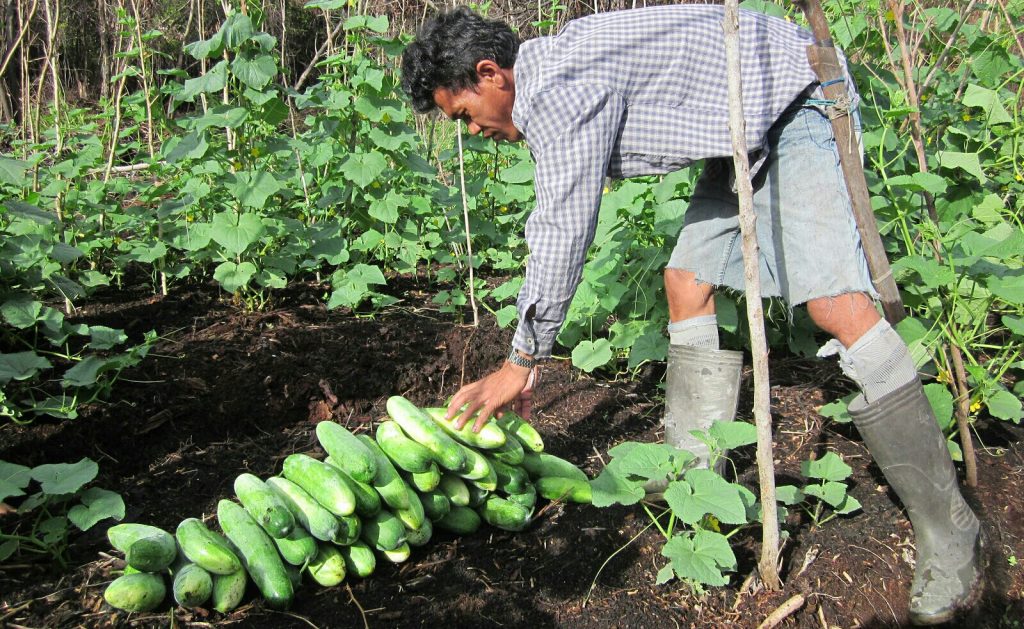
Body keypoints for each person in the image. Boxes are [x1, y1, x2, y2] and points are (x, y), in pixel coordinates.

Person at [400, 5, 982, 625]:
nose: (472, 130)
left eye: (463, 114)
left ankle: (950, 528)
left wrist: (522, 359)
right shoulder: (556, 67)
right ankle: (692, 475)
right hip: (742, 124)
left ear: (490, 74)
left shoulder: (557, 90)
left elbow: (563, 226)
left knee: (834, 304)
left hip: (796, 100)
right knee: (687, 283)